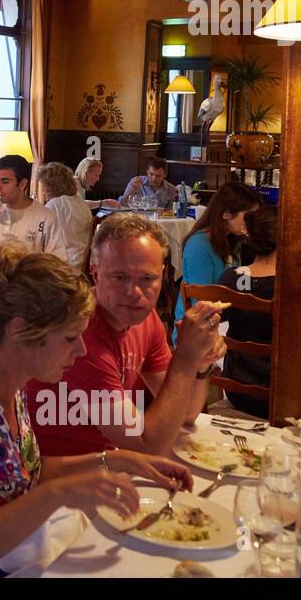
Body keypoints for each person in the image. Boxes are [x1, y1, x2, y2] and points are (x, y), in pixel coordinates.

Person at [0, 240, 192, 578]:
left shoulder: (11, 384)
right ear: (20, 331)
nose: (82, 349)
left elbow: (22, 476)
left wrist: (113, 460)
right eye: (70, 337)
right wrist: (59, 493)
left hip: (23, 550)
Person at [26, 213, 228, 457]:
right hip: (63, 476)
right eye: (120, 277)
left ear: (163, 275)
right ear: (95, 273)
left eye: (147, 278)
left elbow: (185, 414)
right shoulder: (80, 335)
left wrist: (200, 363)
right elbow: (148, 444)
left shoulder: (146, 318)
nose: (134, 292)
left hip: (110, 461)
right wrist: (185, 359)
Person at [217, 205, 277, 419]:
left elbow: (209, 322)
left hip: (238, 390)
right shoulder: (295, 285)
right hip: (283, 395)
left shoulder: (231, 279)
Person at [174, 180, 262, 322]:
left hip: (223, 316)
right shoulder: (199, 245)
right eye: (248, 215)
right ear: (226, 213)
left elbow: (240, 285)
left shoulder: (234, 240)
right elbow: (202, 301)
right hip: (197, 324)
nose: (253, 221)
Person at [37, 161, 93, 271]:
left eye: (44, 185)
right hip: (84, 262)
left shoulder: (55, 205)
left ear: (51, 185)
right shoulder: (80, 202)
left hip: (66, 265)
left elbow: (42, 239)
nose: (43, 191)